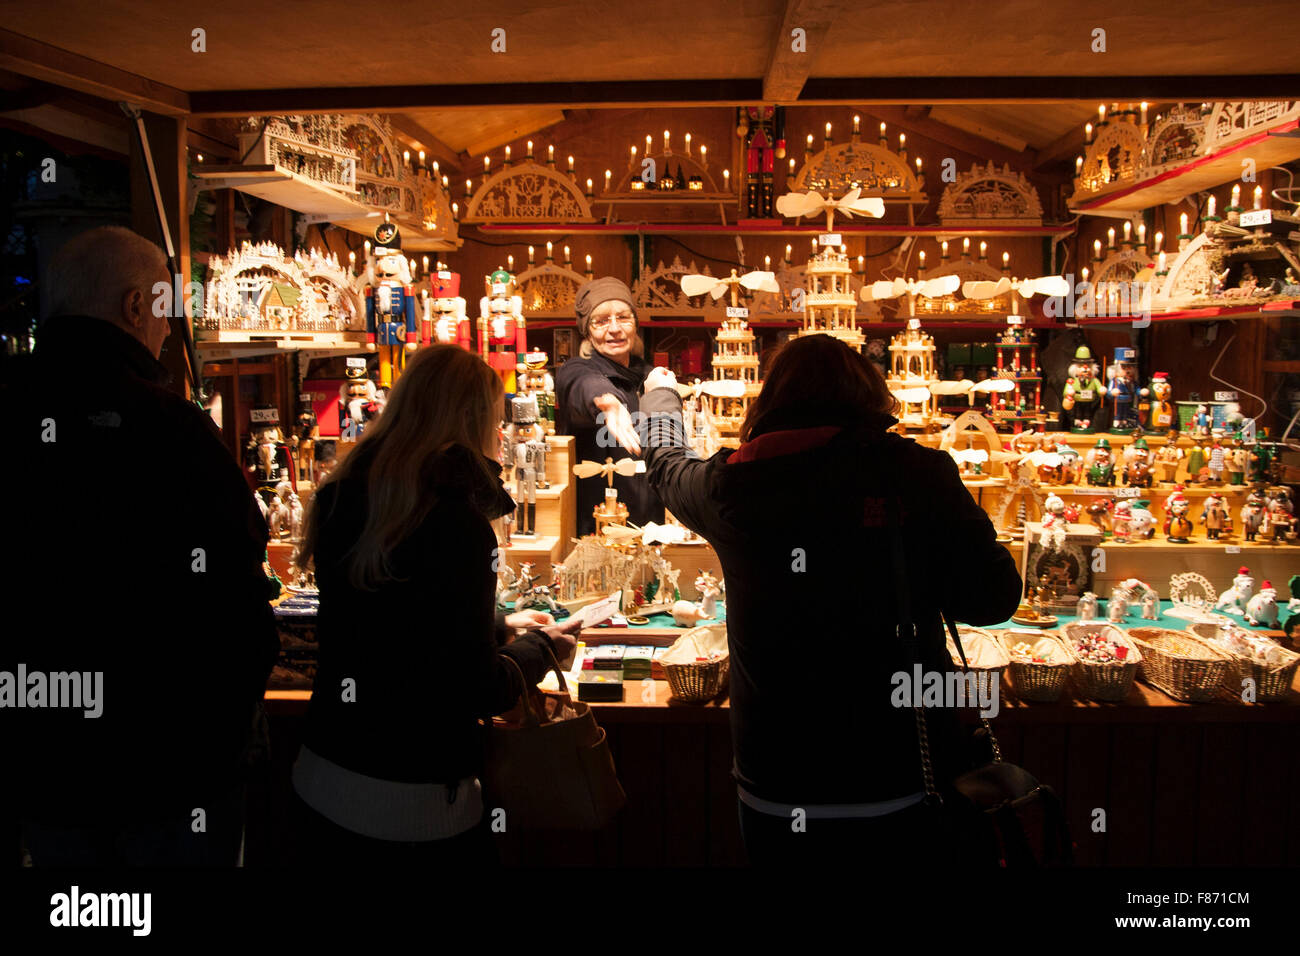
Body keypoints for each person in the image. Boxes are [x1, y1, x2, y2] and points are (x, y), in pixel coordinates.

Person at [635, 334, 1022, 866]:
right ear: (871, 397)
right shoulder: (917, 474)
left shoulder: (733, 486)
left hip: (777, 778)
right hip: (902, 769)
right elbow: (994, 597)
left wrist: (659, 397)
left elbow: (665, 464)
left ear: (768, 402)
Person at [5, 225, 279, 865]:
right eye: (164, 307)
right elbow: (240, 612)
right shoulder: (174, 431)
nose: (167, 325)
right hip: (169, 777)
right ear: (135, 307)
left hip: (42, 771)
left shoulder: (11, 412)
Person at [292, 344, 581, 865]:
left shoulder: (342, 496)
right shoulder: (456, 524)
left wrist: (496, 623)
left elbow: (390, 615)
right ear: (467, 422)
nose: (497, 435)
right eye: (493, 420)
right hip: (417, 803)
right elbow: (476, 687)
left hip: (323, 776)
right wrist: (540, 649)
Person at [555, 277, 664, 536]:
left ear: (635, 324)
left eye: (623, 318)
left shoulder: (648, 376)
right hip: (598, 527)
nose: (614, 329)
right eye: (602, 321)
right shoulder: (578, 370)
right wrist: (606, 401)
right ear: (587, 331)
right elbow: (579, 384)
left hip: (650, 525)